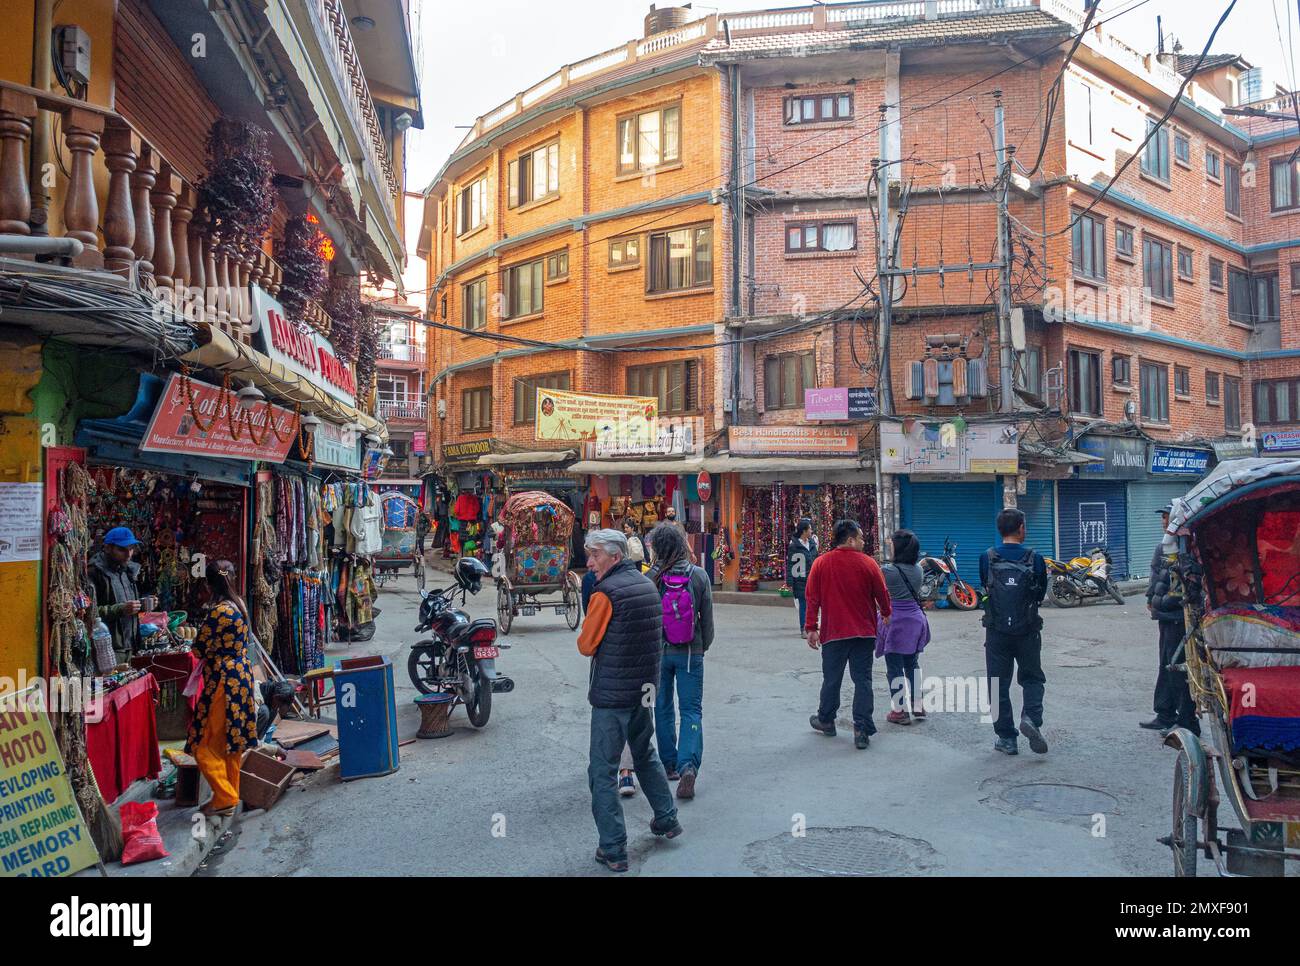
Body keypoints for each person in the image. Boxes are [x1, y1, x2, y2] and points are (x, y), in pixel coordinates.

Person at [577, 528, 682, 871]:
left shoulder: (605, 594)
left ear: (615, 556)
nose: (589, 562)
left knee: (602, 771)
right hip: (645, 688)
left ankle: (613, 847)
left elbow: (586, 645)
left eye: (595, 555)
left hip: (614, 693)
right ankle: (667, 818)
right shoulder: (647, 585)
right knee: (645, 752)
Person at [805, 519, 892, 749]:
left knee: (832, 679)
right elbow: (882, 593)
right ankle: (861, 728)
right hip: (864, 633)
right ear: (851, 539)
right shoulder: (869, 564)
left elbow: (812, 598)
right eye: (861, 538)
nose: (863, 542)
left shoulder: (820, 564)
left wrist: (811, 627)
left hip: (834, 632)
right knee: (862, 680)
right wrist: (886, 613)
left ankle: (826, 720)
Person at [646, 522, 714, 800]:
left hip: (658, 655)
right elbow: (707, 620)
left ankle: (670, 764)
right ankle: (689, 766)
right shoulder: (698, 576)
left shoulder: (650, 578)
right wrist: (701, 647)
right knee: (691, 710)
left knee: (661, 707)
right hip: (690, 652)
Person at [186, 560, 258, 818]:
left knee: (202, 744)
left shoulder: (218, 612)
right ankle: (226, 797)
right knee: (232, 742)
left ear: (208, 584)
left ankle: (226, 797)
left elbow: (199, 648)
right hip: (240, 676)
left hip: (224, 680)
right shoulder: (239, 604)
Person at [979, 508, 1050, 756]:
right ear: (1021, 528)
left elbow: (985, 587)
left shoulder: (987, 557)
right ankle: (1030, 717)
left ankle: (1006, 738)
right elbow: (1040, 593)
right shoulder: (1035, 558)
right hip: (1028, 629)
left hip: (996, 631)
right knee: (1032, 678)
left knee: (997, 684)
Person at [1142, 506, 1199, 737]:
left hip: (1180, 616)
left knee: (1179, 668)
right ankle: (1164, 713)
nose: (1163, 520)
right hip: (1165, 616)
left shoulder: (1189, 547)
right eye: (1163, 516)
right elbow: (1156, 575)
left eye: (1167, 516)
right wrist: (1151, 598)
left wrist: (1164, 601)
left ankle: (1187, 720)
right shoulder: (1163, 546)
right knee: (1165, 665)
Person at [878, 529, 931, 725]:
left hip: (895, 621)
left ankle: (899, 711)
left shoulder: (887, 571)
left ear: (898, 548)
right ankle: (917, 706)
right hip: (915, 620)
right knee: (912, 664)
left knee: (894, 667)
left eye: (891, 544)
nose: (889, 546)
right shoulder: (919, 569)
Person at [89, 527, 152, 659]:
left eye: (131, 548)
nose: (128, 554)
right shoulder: (95, 572)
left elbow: (127, 605)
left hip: (130, 646)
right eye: (122, 549)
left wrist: (142, 604)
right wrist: (121, 609)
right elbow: (89, 613)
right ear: (107, 548)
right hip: (107, 649)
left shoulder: (127, 571)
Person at [786, 518, 819, 638]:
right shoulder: (794, 545)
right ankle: (803, 629)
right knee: (804, 605)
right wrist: (789, 582)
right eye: (810, 528)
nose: (811, 531)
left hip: (812, 579)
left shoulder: (811, 543)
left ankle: (812, 625)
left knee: (813, 604)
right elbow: (790, 564)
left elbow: (816, 559)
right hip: (800, 579)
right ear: (804, 531)